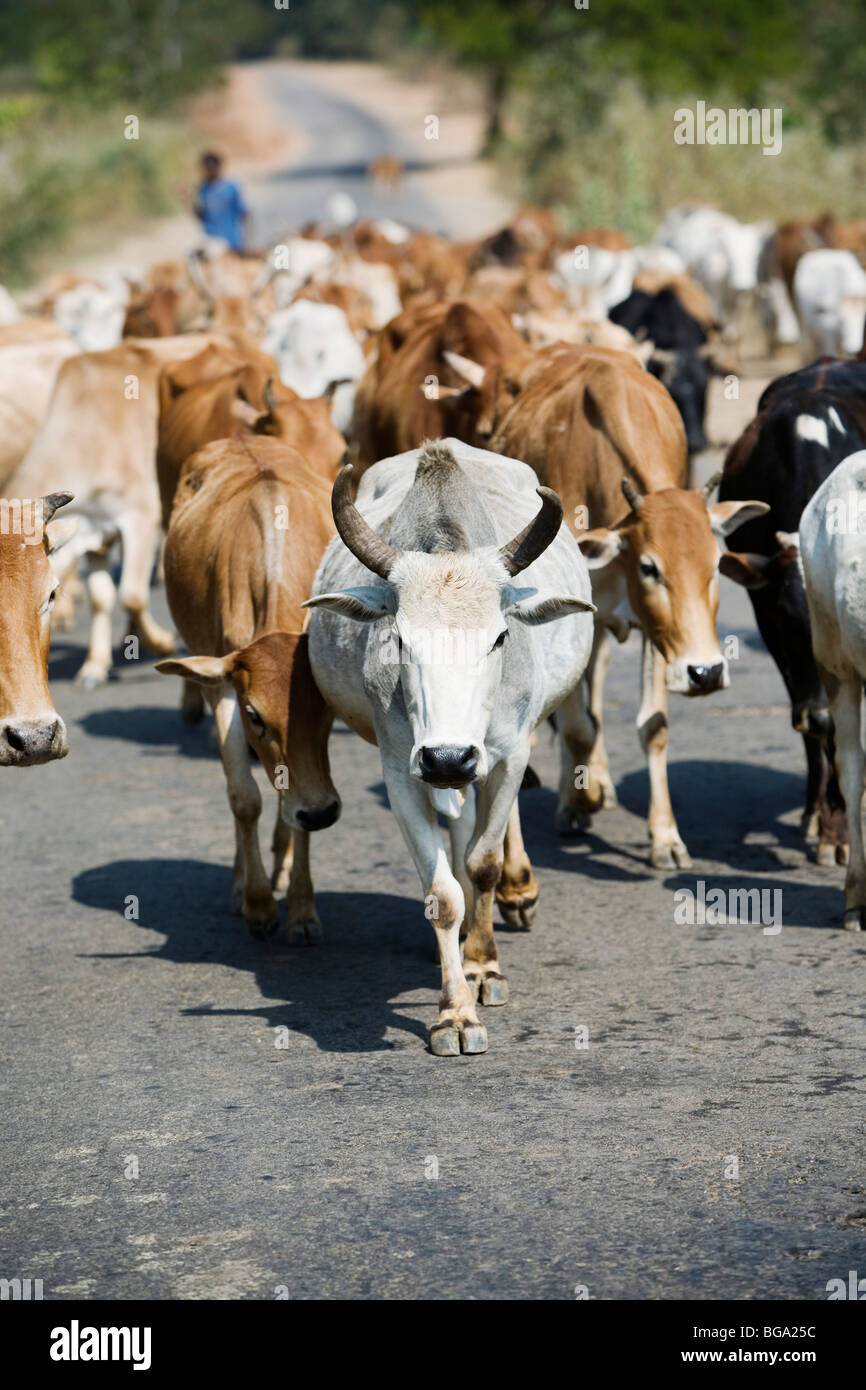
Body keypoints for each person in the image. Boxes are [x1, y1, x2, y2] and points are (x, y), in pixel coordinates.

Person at [193, 152, 250, 253]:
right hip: (211, 242)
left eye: (212, 167)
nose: (209, 171)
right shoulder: (202, 190)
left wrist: (245, 239)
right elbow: (201, 216)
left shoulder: (231, 188)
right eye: (206, 168)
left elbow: (244, 213)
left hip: (232, 242)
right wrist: (188, 201)